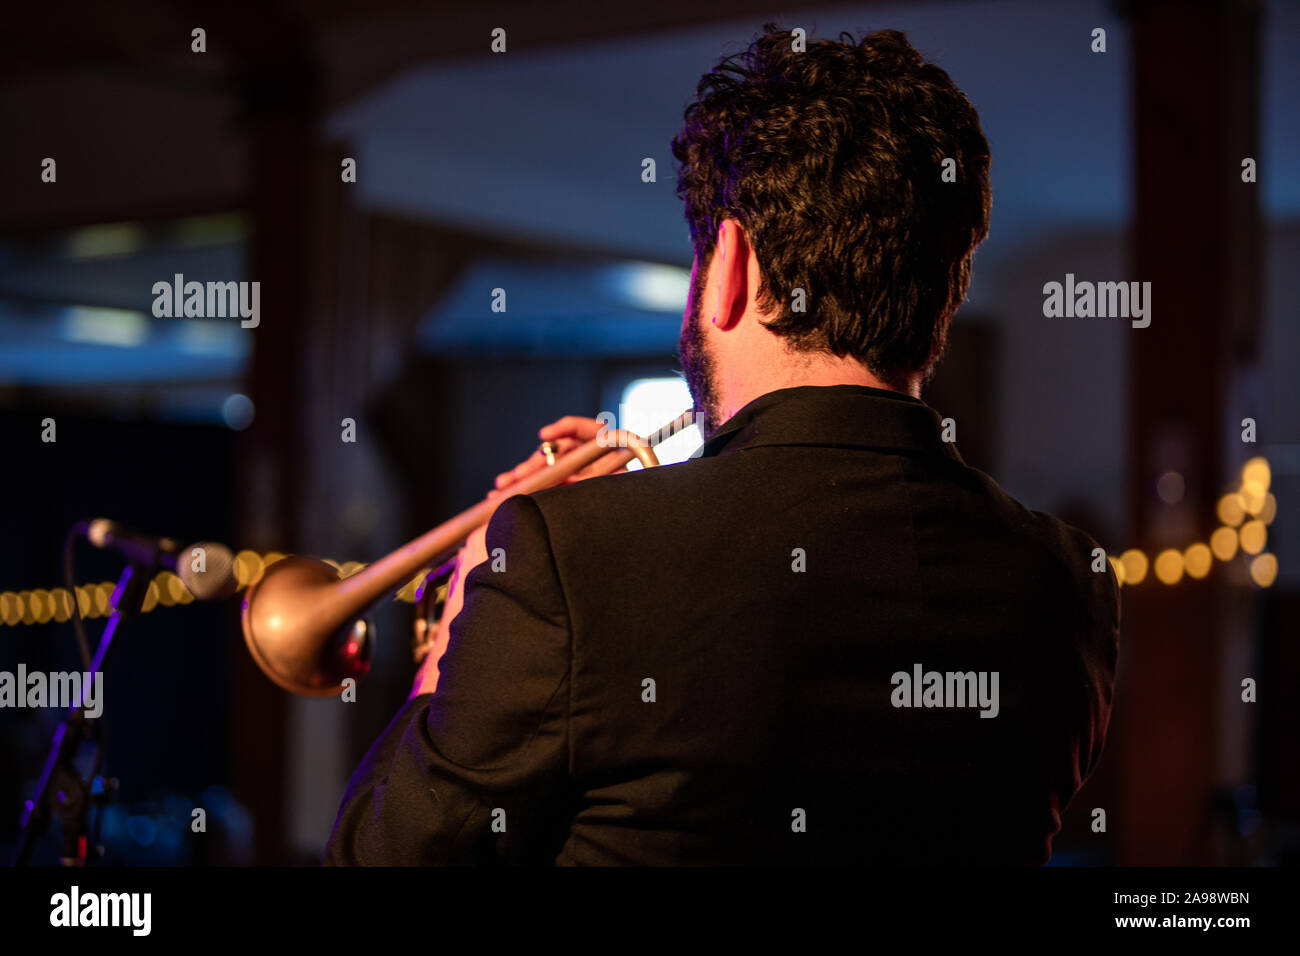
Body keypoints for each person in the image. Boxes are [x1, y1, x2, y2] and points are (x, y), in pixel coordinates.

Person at [324, 25, 1118, 866]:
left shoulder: (567, 557)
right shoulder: (1067, 582)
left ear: (730, 264)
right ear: (940, 298)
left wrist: (460, 624)